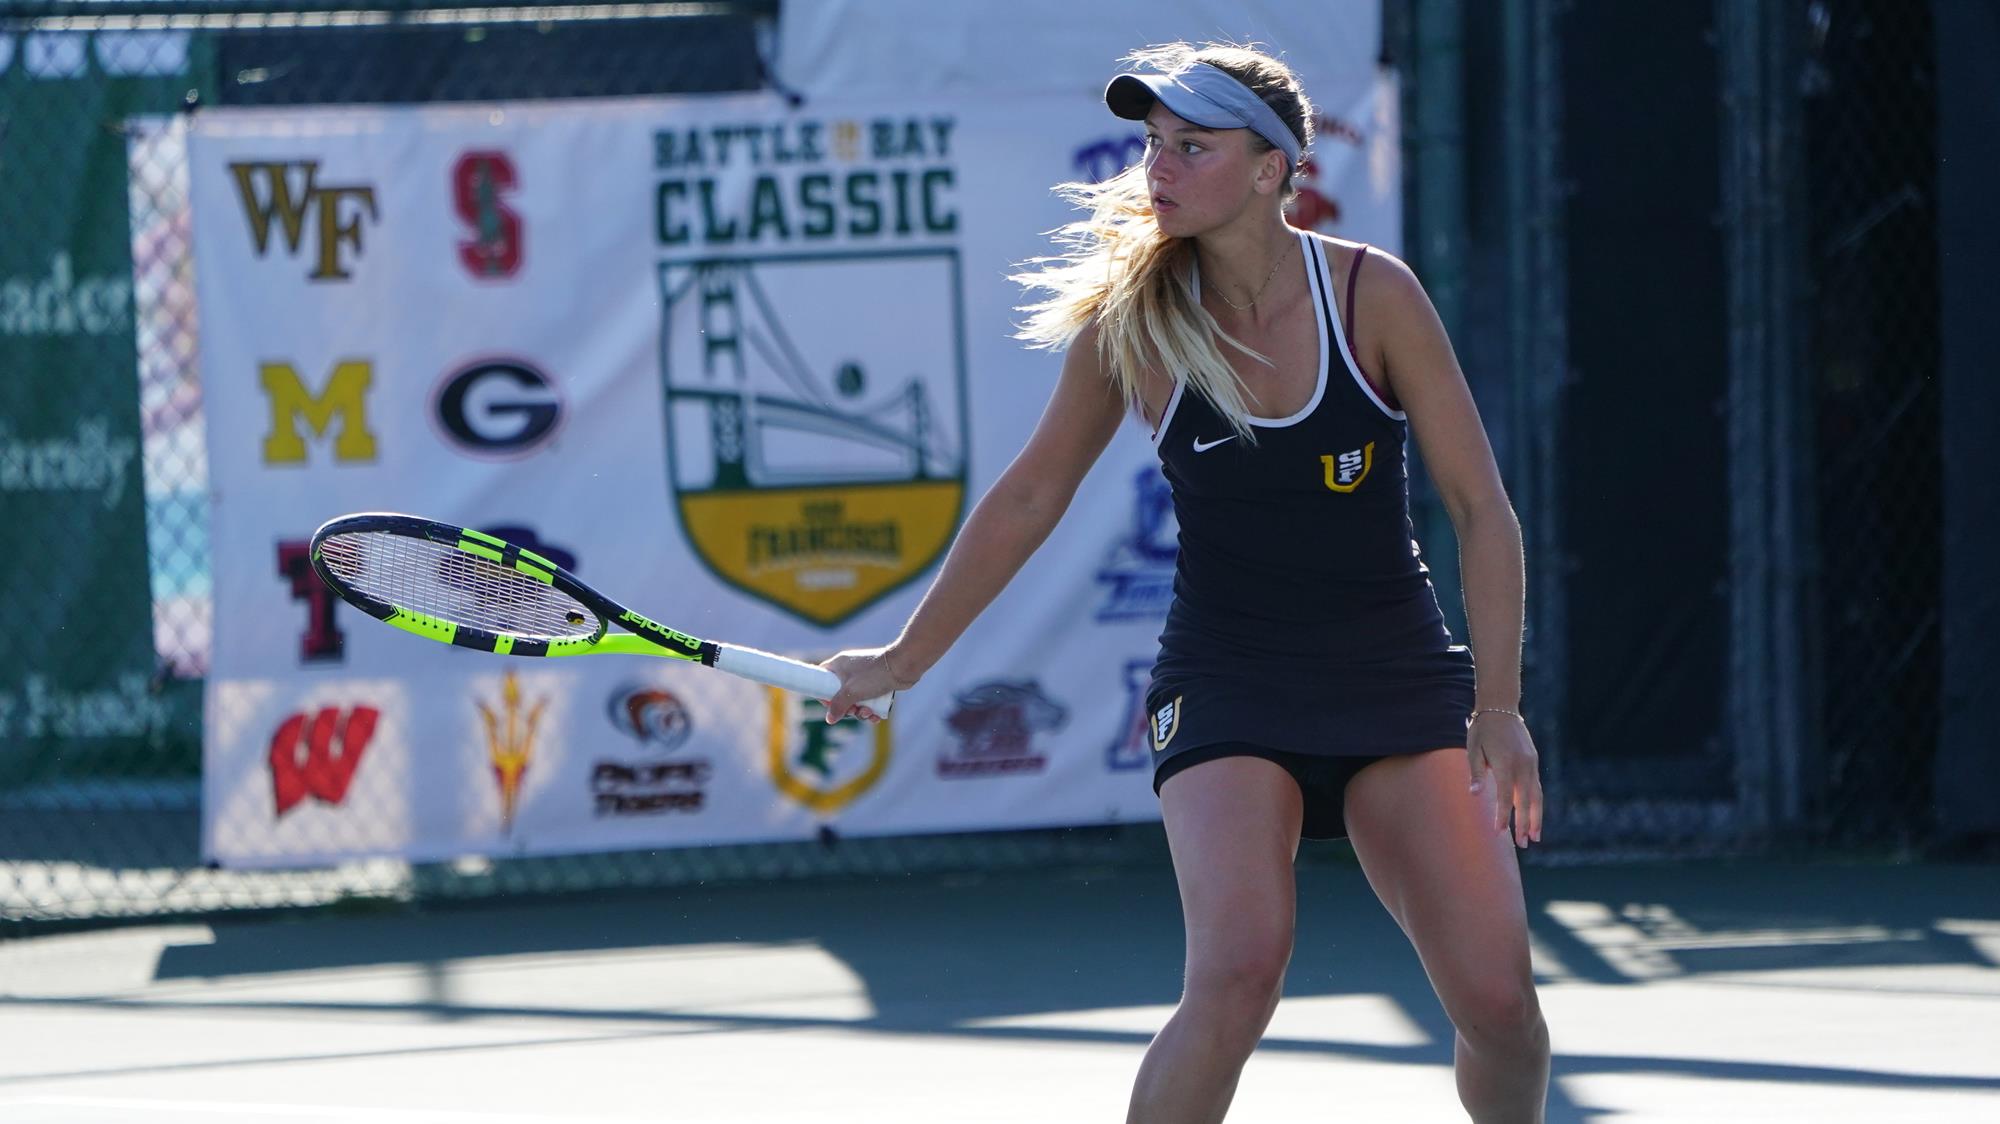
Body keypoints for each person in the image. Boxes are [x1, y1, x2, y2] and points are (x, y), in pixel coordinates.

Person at [822, 41, 1550, 1124]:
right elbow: (1029, 498)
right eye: (1154, 143)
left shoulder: (1372, 294)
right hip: (1227, 679)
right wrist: (899, 660)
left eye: (1192, 147)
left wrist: (1497, 708)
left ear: (1269, 169)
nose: (1158, 167)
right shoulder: (1132, 322)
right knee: (1237, 974)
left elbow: (1479, 508)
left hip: (1394, 673)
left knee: (1501, 1006)